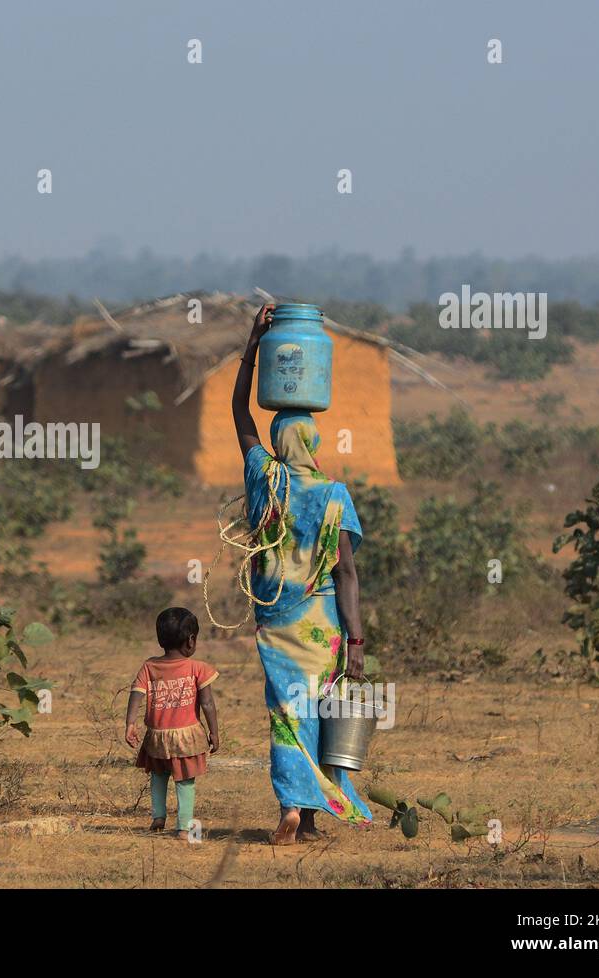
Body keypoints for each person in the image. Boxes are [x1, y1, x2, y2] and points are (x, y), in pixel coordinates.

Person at [231, 303, 372, 845]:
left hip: (276, 626)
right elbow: (350, 576)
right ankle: (308, 816)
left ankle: (294, 806)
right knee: (319, 711)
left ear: (279, 441)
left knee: (287, 714)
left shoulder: (265, 478)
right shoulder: (333, 495)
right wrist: (355, 640)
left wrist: (252, 344)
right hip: (323, 627)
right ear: (313, 443)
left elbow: (240, 415)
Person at [124, 607, 220, 840]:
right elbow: (207, 704)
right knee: (185, 781)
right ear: (191, 640)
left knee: (158, 775)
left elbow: (136, 694)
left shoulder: (149, 666)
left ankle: (158, 816)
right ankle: (184, 827)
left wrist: (130, 724)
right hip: (187, 737)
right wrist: (214, 733)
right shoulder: (198, 668)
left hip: (157, 735)